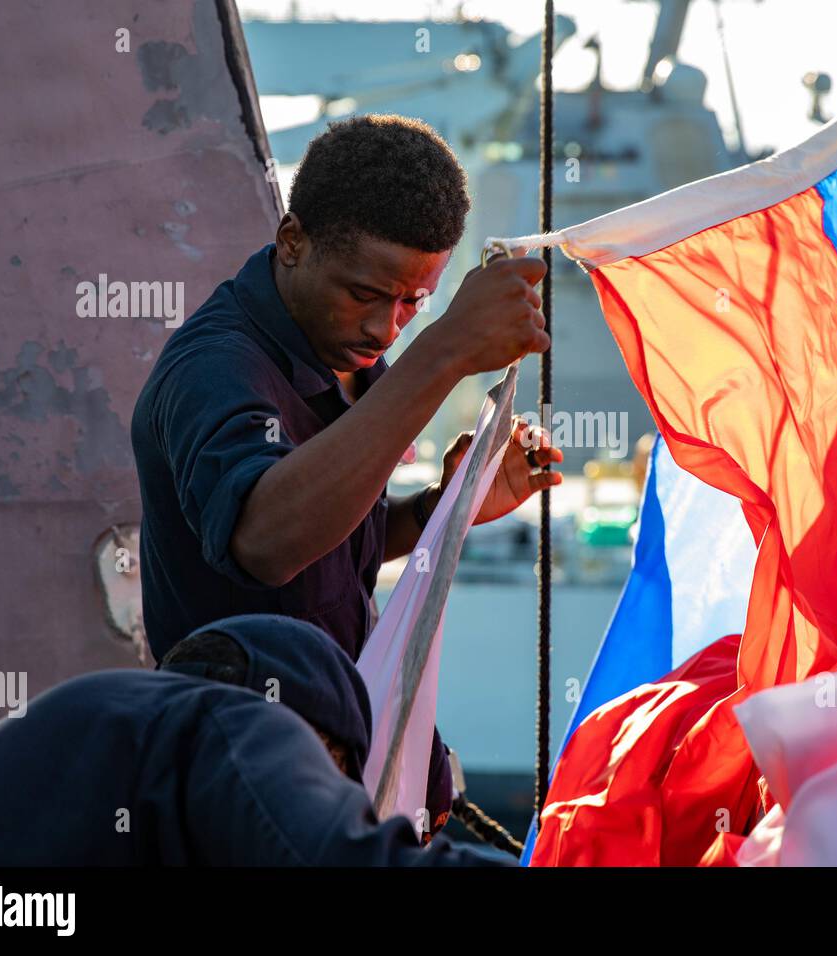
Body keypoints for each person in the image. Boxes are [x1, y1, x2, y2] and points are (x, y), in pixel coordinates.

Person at [130, 115, 563, 835]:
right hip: (243, 799)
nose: (385, 328)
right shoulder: (215, 370)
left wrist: (437, 508)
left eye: (414, 303)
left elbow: (331, 549)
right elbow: (265, 541)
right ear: (293, 241)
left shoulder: (344, 358)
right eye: (365, 293)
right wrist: (443, 350)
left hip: (341, 782)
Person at [0, 615, 511, 866]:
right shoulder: (231, 722)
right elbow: (346, 861)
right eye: (326, 778)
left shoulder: (117, 736)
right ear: (320, 744)